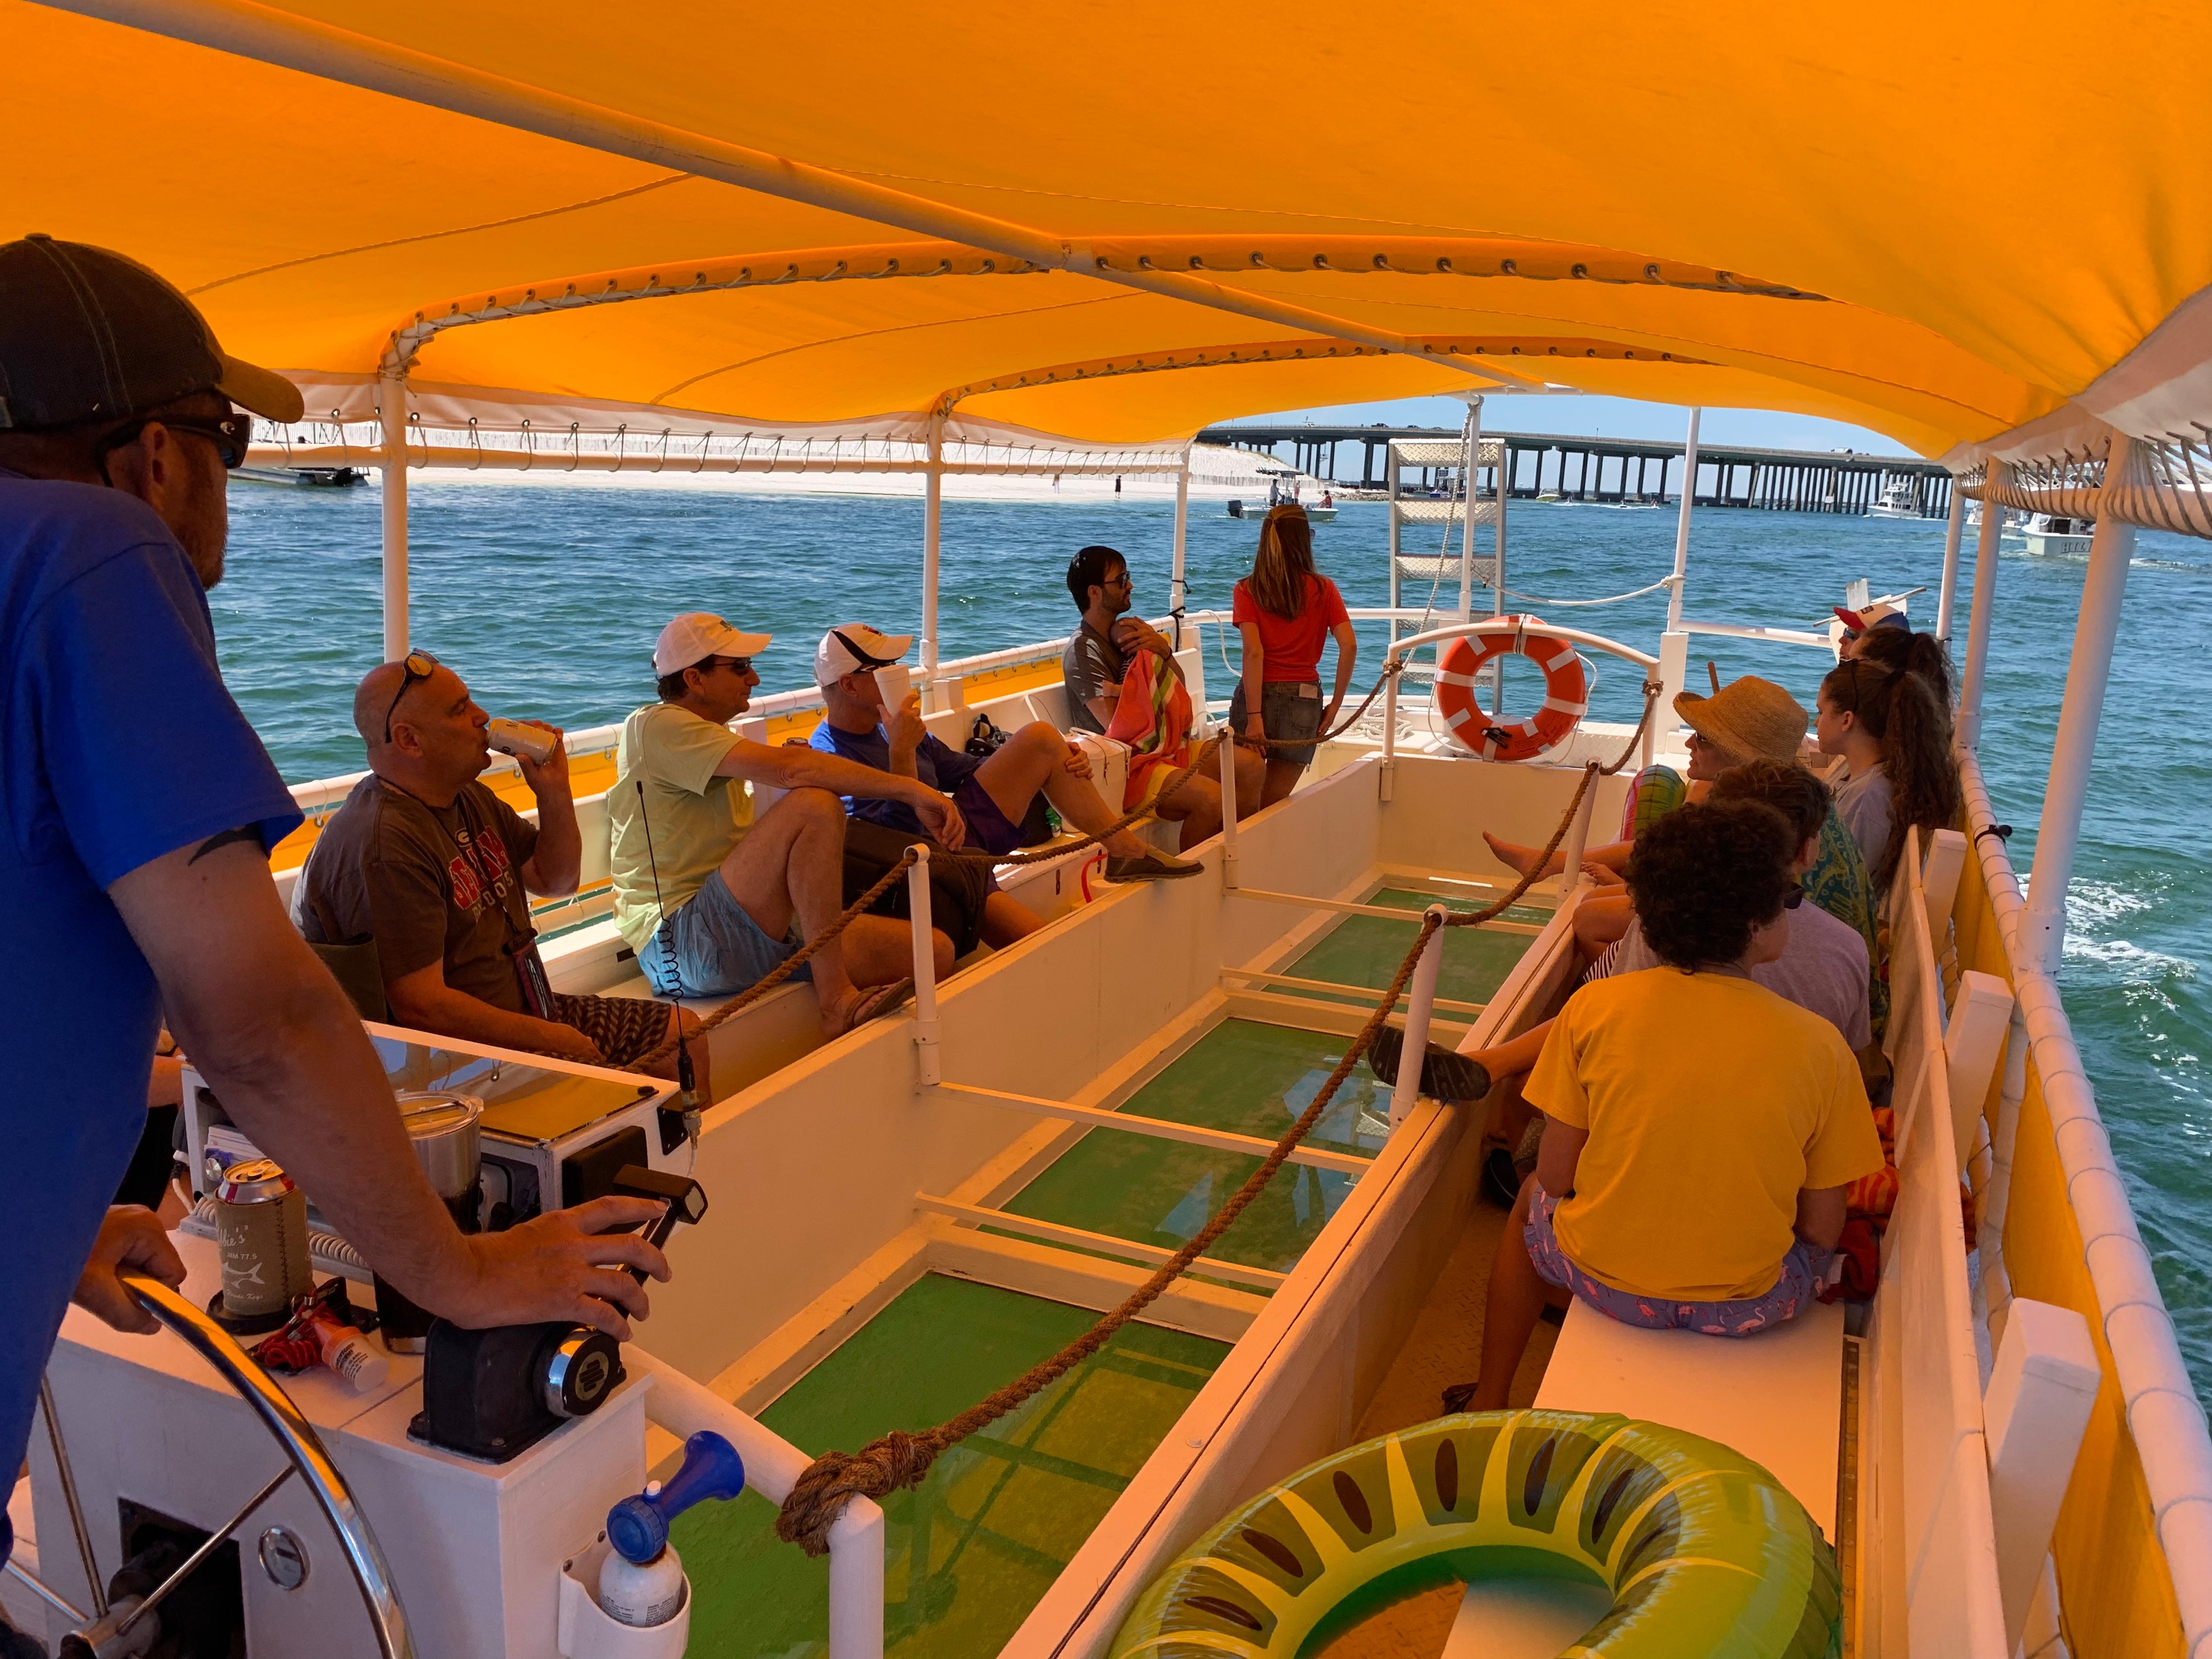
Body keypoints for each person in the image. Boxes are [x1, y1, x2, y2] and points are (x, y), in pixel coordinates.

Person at [0, 237, 670, 1583]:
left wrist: (53, 1226)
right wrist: (458, 1274)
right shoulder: (87, 547)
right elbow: (252, 1010)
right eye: (226, 440)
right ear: (153, 457)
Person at [1447, 801, 1885, 1411]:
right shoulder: (1820, 1047)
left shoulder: (1593, 1011)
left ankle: (1490, 1397)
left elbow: (1553, 1175)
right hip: (1750, 1304)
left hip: (1602, 1281)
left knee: (1527, 1205)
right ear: (1758, 925)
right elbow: (1820, 1226)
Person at [294, 658, 709, 1093]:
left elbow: (556, 881)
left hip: (529, 1011)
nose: (482, 718)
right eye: (459, 710)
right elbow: (421, 1006)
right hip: (459, 1059)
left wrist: (553, 790)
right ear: (410, 741)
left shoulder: (467, 795)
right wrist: (554, 1040)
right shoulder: (384, 846)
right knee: (628, 1092)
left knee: (680, 1034)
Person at [606, 612, 971, 1039]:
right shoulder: (656, 725)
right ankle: (836, 1002)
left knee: (932, 952)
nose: (755, 679)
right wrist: (912, 790)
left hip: (736, 926)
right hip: (680, 945)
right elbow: (791, 773)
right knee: (815, 804)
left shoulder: (709, 740)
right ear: (694, 679)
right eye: (740, 668)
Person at [808, 625, 1197, 943]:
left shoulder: (892, 727)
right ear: (850, 685)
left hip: (957, 834)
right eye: (885, 667)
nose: (901, 672)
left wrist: (1053, 762)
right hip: (929, 868)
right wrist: (902, 754)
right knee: (1037, 943)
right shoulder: (828, 757)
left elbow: (957, 768)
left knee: (1043, 740)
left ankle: (1125, 850)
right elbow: (895, 843)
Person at [1061, 544, 1262, 844]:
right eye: (1121, 580)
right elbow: (1117, 724)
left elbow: (1176, 685)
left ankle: (1236, 857)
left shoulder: (1130, 634)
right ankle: (1195, 886)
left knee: (1250, 767)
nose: (1130, 585)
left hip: (1161, 750)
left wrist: (1163, 651)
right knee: (1209, 800)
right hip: (1127, 768)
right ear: (1094, 592)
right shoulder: (1083, 651)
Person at [1232, 504, 1357, 806]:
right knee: (1273, 804)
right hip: (1304, 701)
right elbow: (1350, 646)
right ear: (1305, 540)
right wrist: (1336, 703)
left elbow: (1253, 653)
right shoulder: (1324, 589)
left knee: (1241, 801)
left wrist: (1255, 718)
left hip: (1256, 698)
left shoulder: (1247, 589)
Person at [1814, 655, 1960, 891]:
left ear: (1847, 720)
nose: (1816, 722)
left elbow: (1839, 887)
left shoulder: (1866, 798)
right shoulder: (1868, 777)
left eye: (1821, 712)